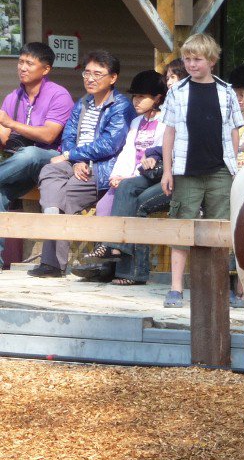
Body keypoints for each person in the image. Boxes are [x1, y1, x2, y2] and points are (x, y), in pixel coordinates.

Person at [30, 50, 134, 278]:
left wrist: (73, 156)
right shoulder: (83, 102)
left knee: (63, 196)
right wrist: (74, 158)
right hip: (76, 162)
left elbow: (110, 144)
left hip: (101, 167)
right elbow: (68, 134)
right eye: (87, 73)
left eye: (98, 73)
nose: (90, 78)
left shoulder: (121, 106)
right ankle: (51, 215)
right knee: (49, 171)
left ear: (113, 78)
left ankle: (53, 264)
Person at [160, 32, 244, 308]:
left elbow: (233, 131)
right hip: (186, 169)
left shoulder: (226, 91)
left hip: (220, 169)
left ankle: (217, 286)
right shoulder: (177, 91)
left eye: (197, 59)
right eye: (187, 59)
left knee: (220, 230)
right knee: (181, 225)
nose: (191, 64)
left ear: (211, 60)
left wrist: (233, 166)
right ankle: (176, 287)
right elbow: (169, 133)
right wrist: (167, 170)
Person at [71, 70, 169, 284]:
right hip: (130, 176)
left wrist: (128, 177)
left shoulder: (165, 122)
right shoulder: (136, 122)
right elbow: (127, 152)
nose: (136, 101)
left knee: (128, 198)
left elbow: (152, 157)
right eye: (135, 96)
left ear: (157, 98)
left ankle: (113, 250)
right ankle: (105, 263)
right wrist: (118, 175)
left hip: (151, 176)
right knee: (105, 205)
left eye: (142, 97)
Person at [0, 42, 74, 268]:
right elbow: (4, 140)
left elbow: (49, 136)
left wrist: (12, 124)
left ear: (46, 69)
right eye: (20, 62)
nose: (22, 67)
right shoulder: (13, 97)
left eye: (29, 63)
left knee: (30, 153)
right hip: (19, 163)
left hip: (51, 161)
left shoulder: (58, 95)